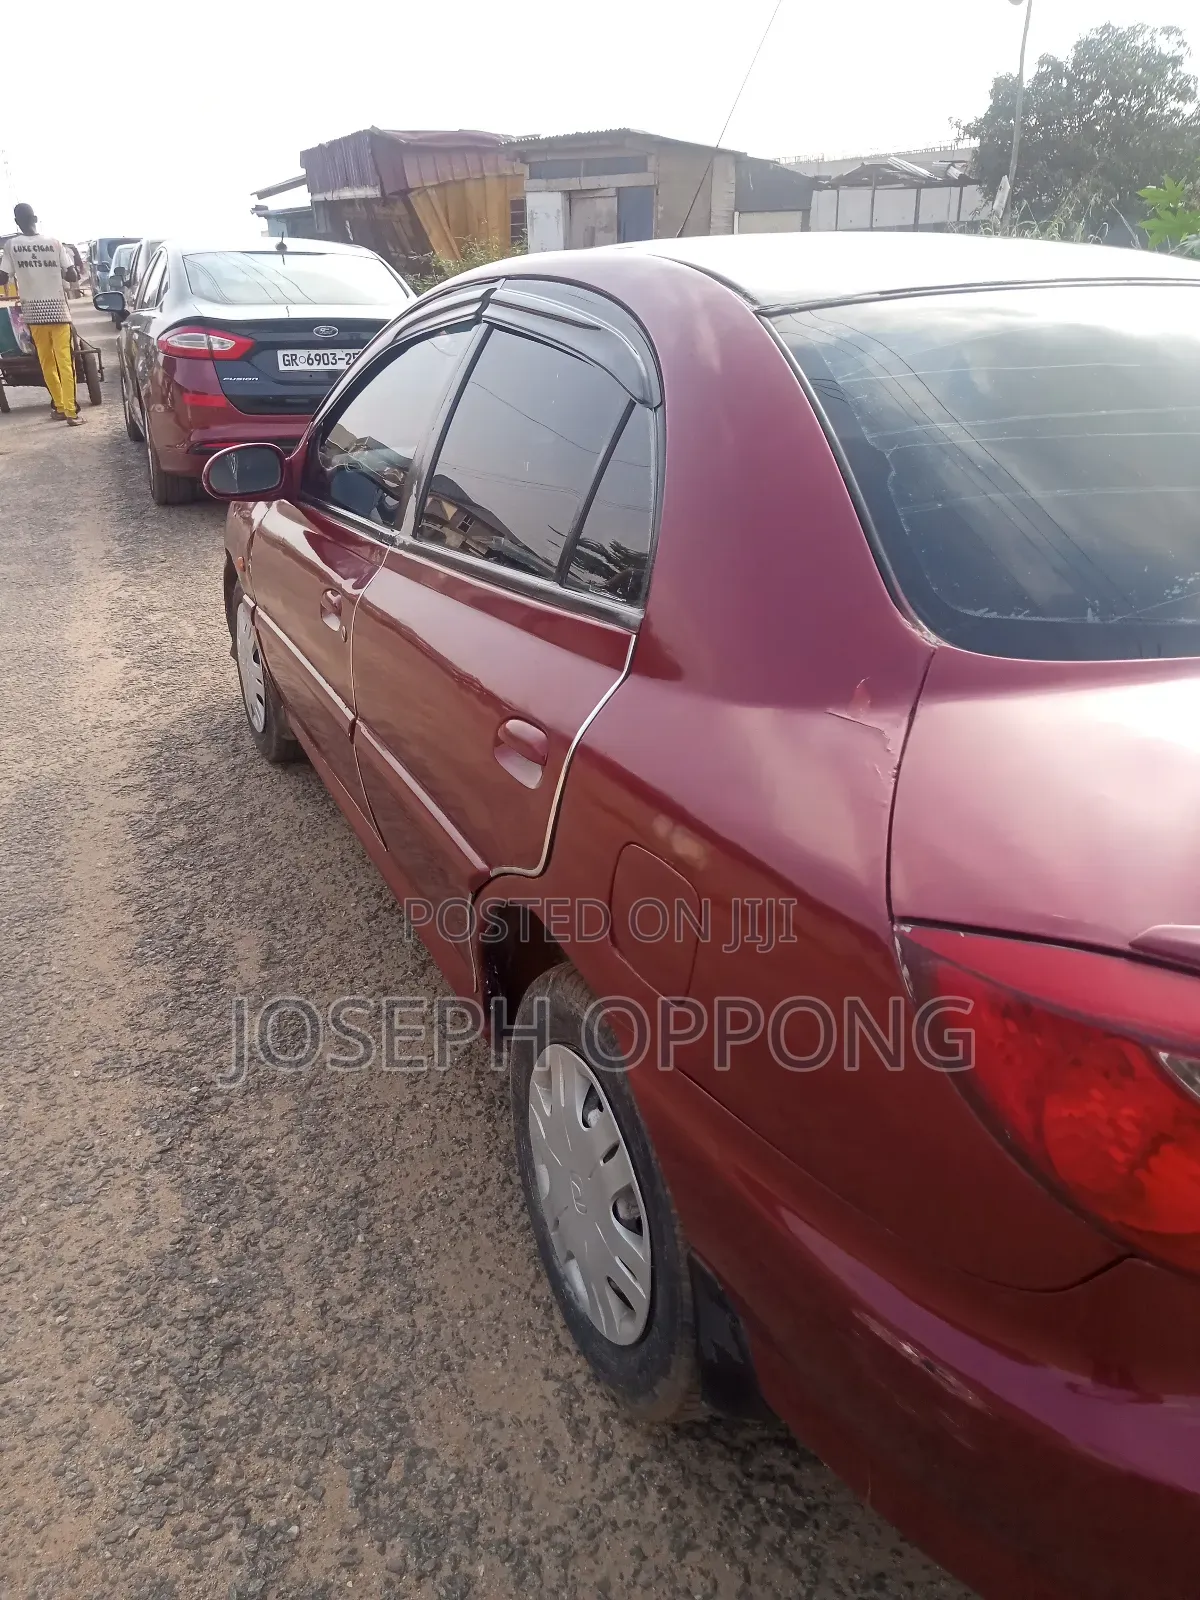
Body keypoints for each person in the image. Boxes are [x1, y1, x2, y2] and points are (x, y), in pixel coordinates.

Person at [0, 203, 84, 424]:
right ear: (36, 218)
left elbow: (2, 277)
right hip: (58, 312)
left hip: (34, 314)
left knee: (46, 362)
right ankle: (71, 412)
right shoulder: (55, 243)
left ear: (17, 222)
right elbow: (72, 276)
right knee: (65, 361)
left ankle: (58, 406)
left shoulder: (11, 246)